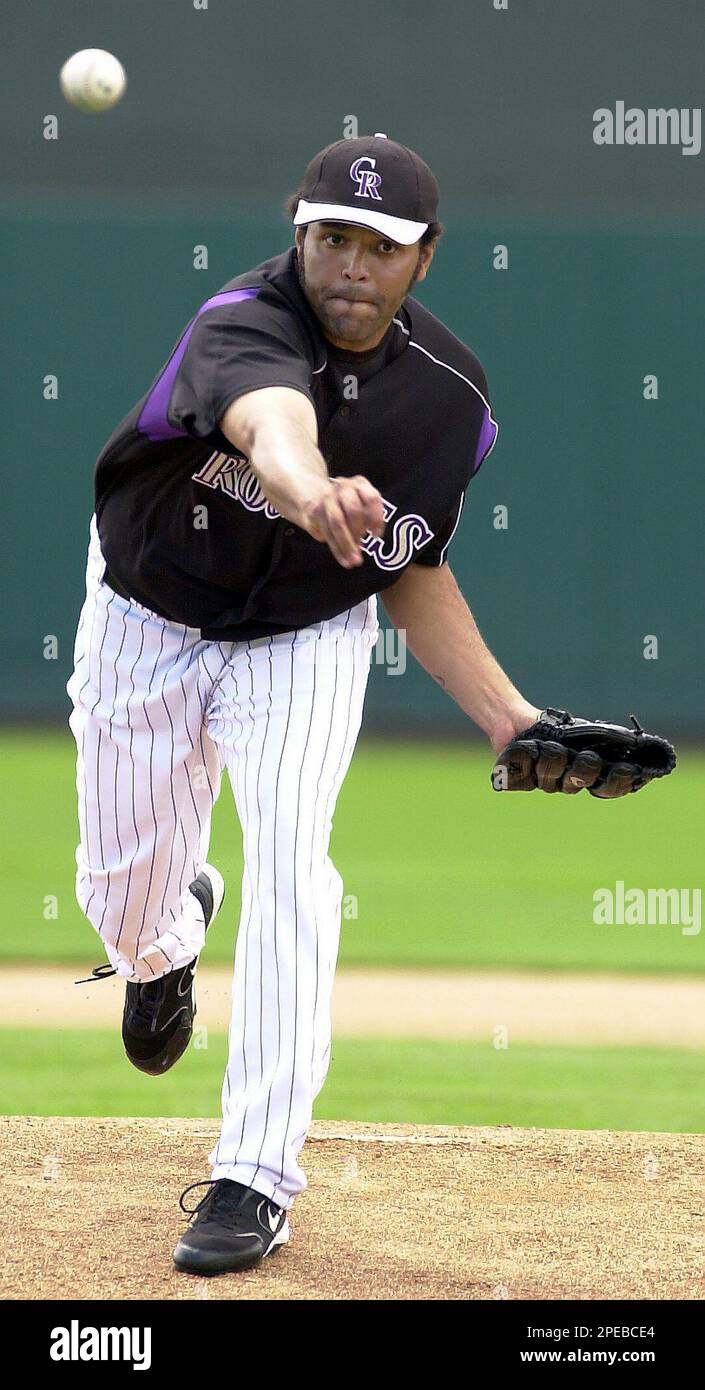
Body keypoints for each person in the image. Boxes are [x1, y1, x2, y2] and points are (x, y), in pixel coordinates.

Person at [67, 133, 540, 1277]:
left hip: (308, 636)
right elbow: (271, 427)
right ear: (297, 232)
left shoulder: (449, 400)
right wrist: (311, 487)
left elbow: (414, 571)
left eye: (380, 246)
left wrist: (509, 719)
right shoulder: (240, 319)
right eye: (332, 237)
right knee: (117, 899)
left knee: (293, 854)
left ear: (424, 258)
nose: (351, 266)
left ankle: (255, 1174)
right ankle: (165, 944)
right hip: (150, 610)